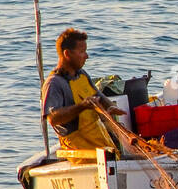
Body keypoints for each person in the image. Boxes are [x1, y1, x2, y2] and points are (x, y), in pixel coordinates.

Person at [42, 28, 122, 156]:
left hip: (101, 146)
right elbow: (53, 118)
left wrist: (110, 107)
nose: (87, 56)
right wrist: (82, 106)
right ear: (67, 54)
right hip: (81, 153)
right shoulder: (54, 83)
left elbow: (99, 96)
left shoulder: (82, 75)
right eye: (82, 52)